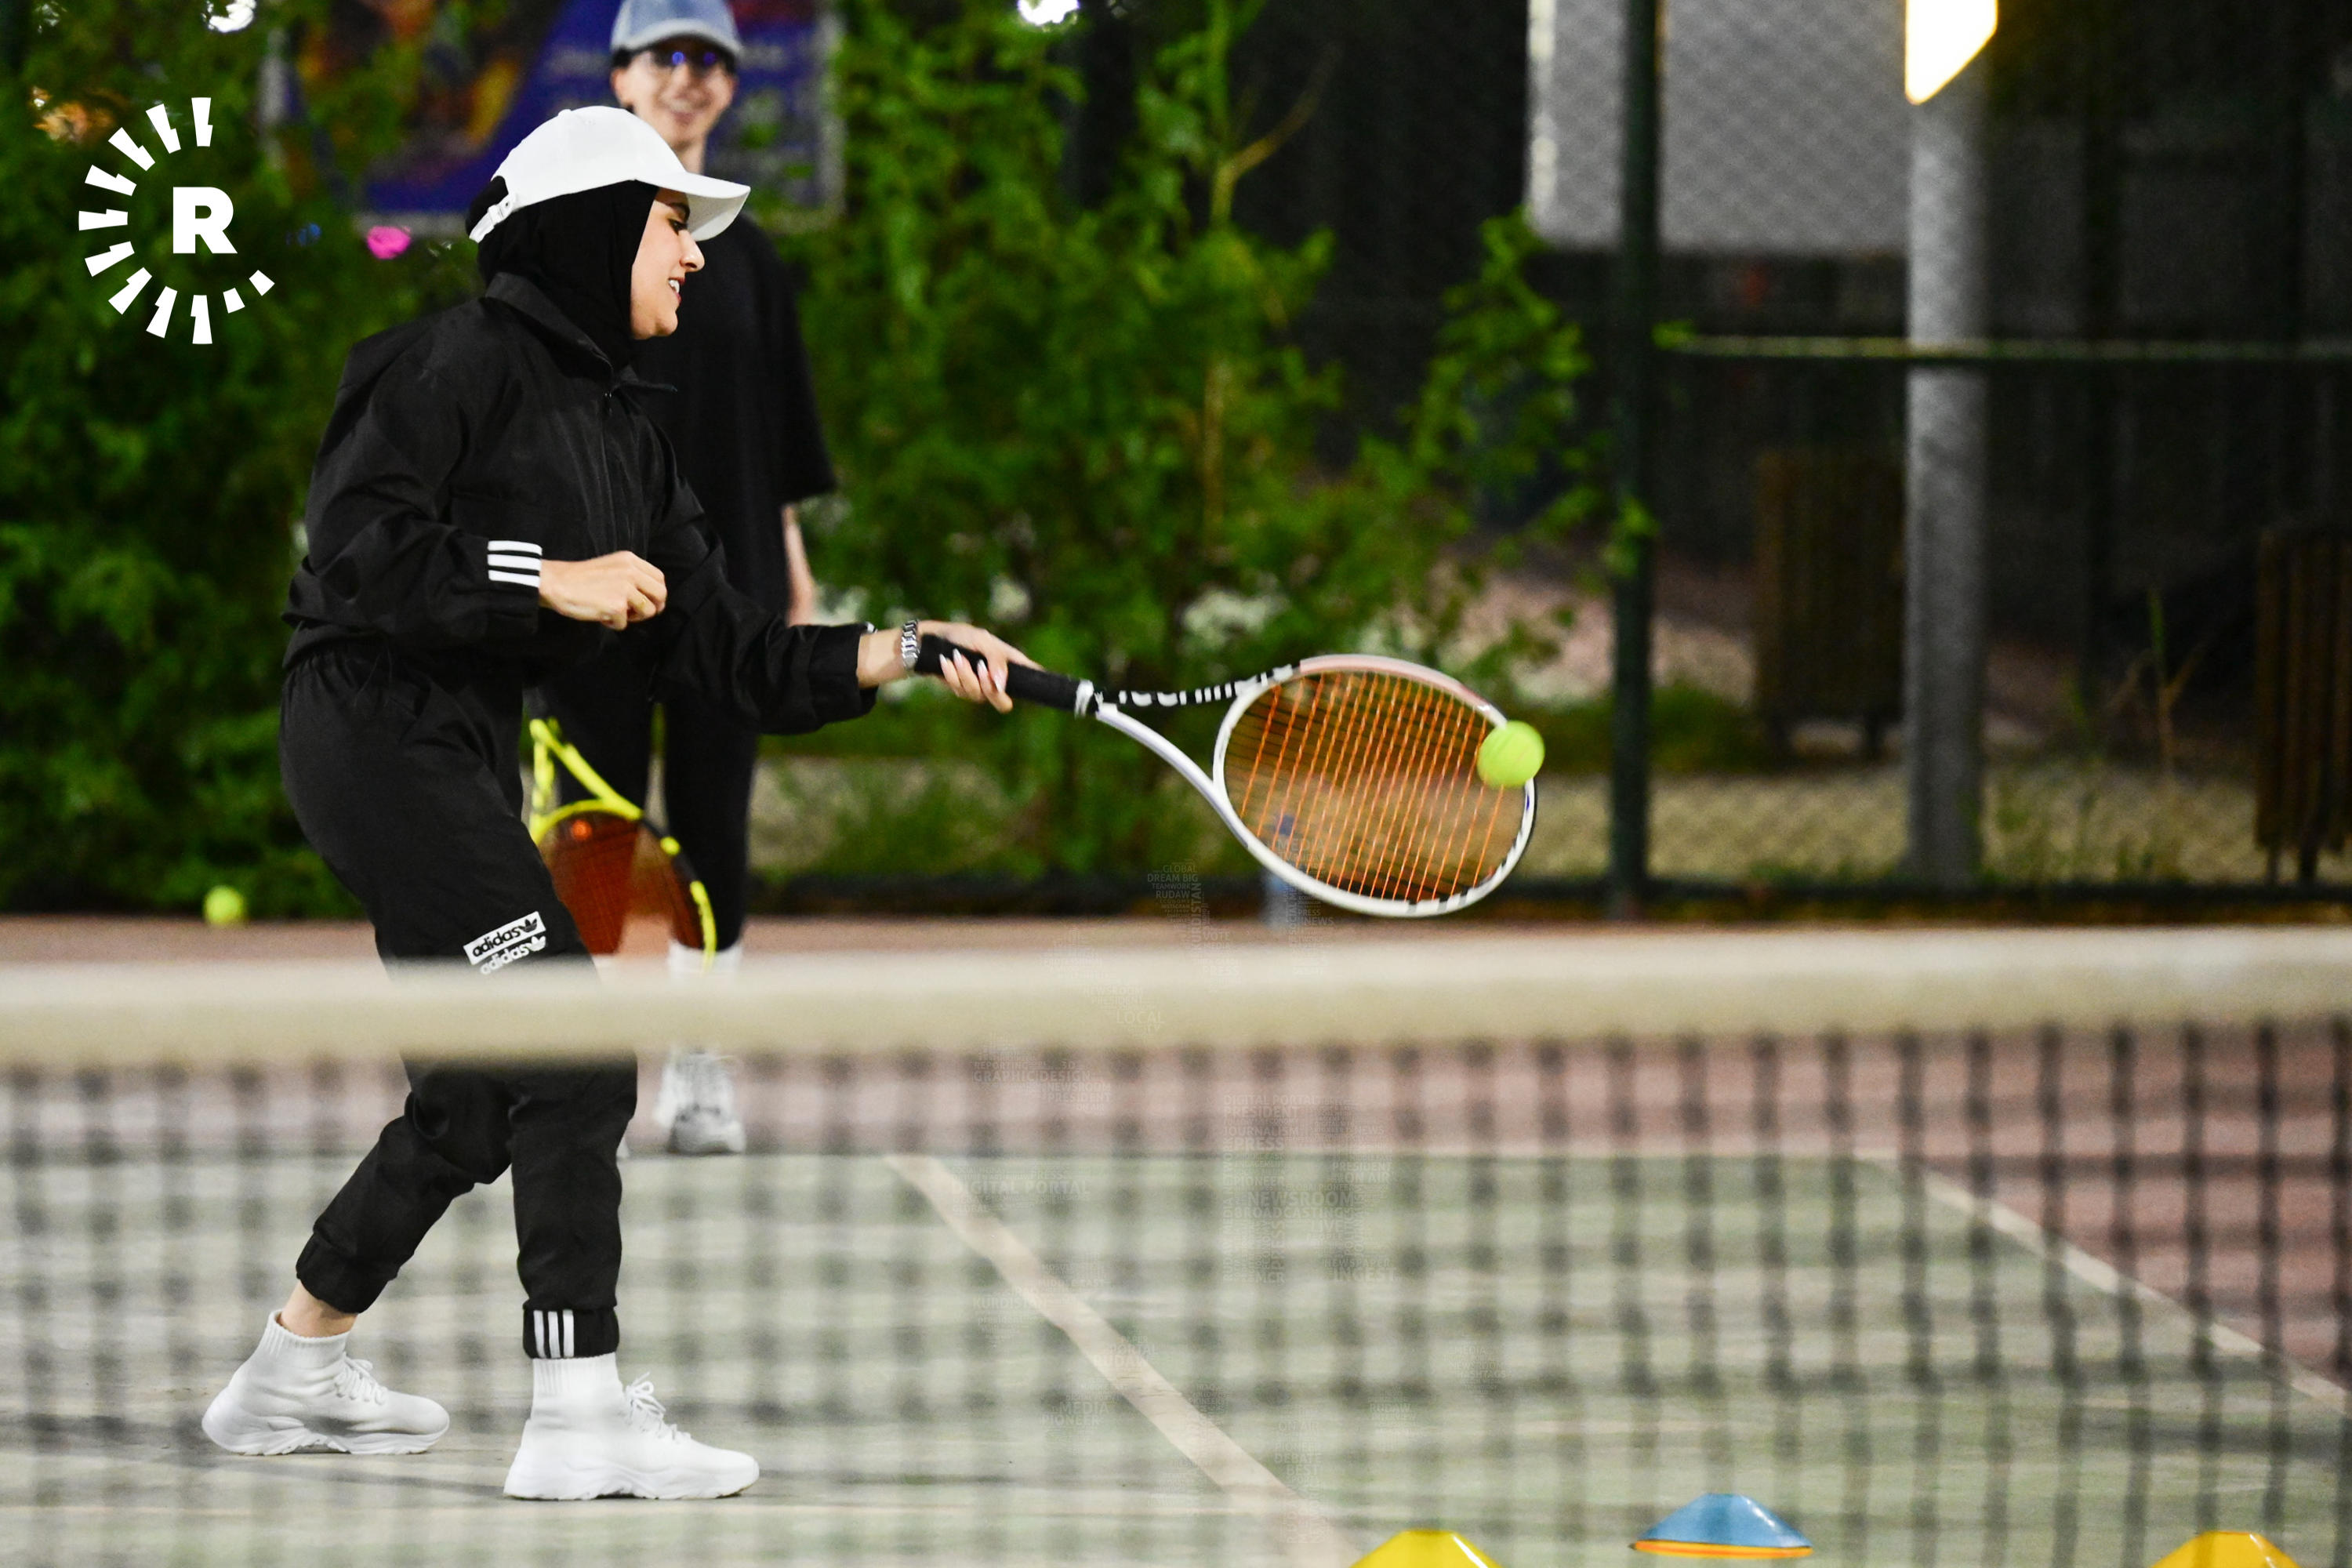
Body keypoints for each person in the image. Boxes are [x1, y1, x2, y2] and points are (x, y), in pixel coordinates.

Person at [198, 106, 1025, 1501]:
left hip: (449, 753)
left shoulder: (632, 445)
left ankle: (289, 1369)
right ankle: (577, 1413)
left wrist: (907, 651)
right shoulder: (439, 362)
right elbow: (357, 549)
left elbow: (736, 656)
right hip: (368, 729)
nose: (696, 257)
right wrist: (544, 575)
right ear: (586, 230)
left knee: (473, 1096)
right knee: (578, 1050)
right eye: (668, 223)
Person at [539, 0, 831, 1156]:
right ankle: (582, 1076)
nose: (689, 77)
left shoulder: (753, 260)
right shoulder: (571, 240)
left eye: (710, 59)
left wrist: (791, 573)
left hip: (732, 597)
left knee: (713, 833)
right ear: (620, 76)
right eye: (668, 55)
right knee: (595, 829)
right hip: (602, 588)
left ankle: (699, 1071)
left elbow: (783, 441)